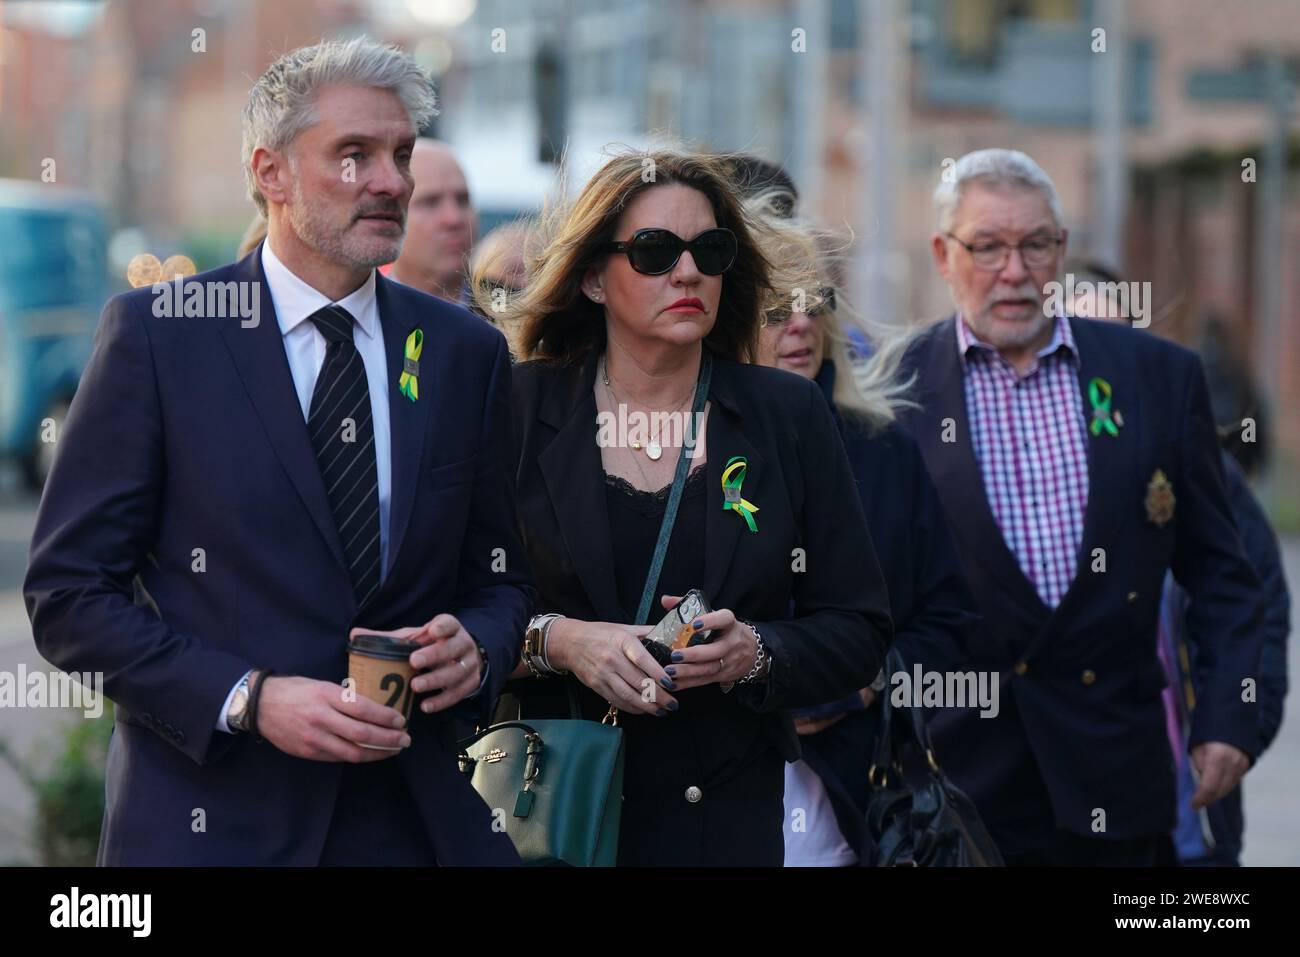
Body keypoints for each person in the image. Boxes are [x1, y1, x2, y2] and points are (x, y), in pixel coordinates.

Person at [24, 37, 534, 865]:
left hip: (418, 821)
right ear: (271, 174)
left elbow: (504, 576)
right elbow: (69, 594)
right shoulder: (159, 337)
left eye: (400, 154)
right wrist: (249, 699)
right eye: (354, 154)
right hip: (217, 822)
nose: (391, 180)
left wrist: (479, 641)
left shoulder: (463, 352)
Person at [493, 148, 893, 866]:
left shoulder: (786, 413)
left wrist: (756, 652)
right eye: (653, 251)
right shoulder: (520, 406)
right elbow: (458, 603)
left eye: (710, 250)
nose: (687, 272)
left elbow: (859, 625)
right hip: (555, 814)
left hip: (724, 822)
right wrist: (563, 641)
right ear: (591, 276)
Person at [895, 148, 1265, 866]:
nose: (1014, 270)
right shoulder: (895, 393)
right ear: (944, 254)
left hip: (1116, 786)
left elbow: (1223, 572)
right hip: (954, 792)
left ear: (1060, 250)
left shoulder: (1157, 378)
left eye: (1034, 244)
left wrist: (1227, 716)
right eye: (988, 247)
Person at [745, 196, 979, 866]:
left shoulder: (882, 450)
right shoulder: (676, 452)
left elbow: (950, 623)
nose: (800, 323)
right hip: (711, 802)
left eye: (814, 301)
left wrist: (868, 679)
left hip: (857, 806)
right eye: (774, 305)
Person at [1070, 262, 1290, 866]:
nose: (1105, 363)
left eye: (1121, 335)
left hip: (1189, 829)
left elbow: (1255, 606)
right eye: (1084, 338)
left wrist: (1233, 726)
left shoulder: (1201, 472)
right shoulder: (1019, 478)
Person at [385, 138, 477, 304]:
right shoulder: (358, 317)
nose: (454, 219)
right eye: (430, 203)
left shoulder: (514, 314)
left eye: (462, 200)